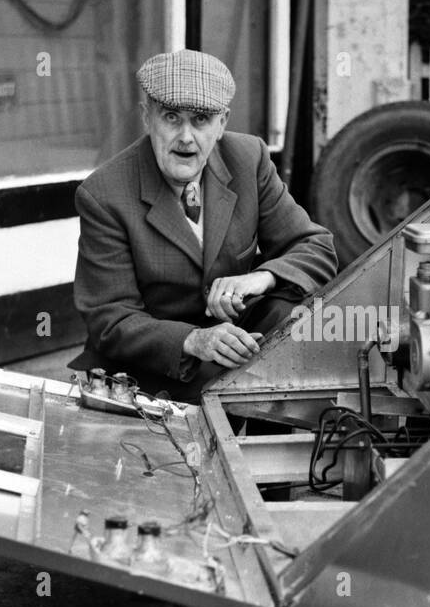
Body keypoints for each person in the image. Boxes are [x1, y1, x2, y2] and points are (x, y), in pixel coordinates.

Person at [71, 49, 337, 402]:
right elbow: (110, 319)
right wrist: (194, 340)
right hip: (152, 367)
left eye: (200, 119)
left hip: (235, 345)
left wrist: (261, 277)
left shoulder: (249, 159)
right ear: (147, 117)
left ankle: (269, 426)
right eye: (171, 117)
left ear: (222, 123)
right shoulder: (104, 194)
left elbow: (316, 248)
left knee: (292, 314)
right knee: (220, 397)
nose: (185, 137)